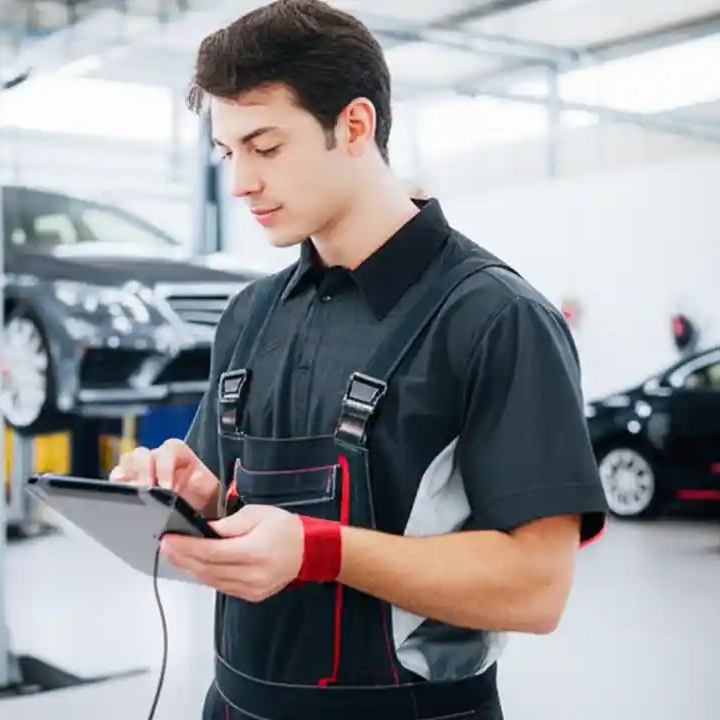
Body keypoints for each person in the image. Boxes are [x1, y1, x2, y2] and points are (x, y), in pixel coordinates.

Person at [108, 1, 608, 717]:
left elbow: (536, 587)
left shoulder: (496, 319)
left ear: (354, 125)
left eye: (266, 146)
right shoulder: (251, 315)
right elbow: (242, 510)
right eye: (228, 153)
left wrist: (322, 550)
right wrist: (201, 499)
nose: (241, 181)